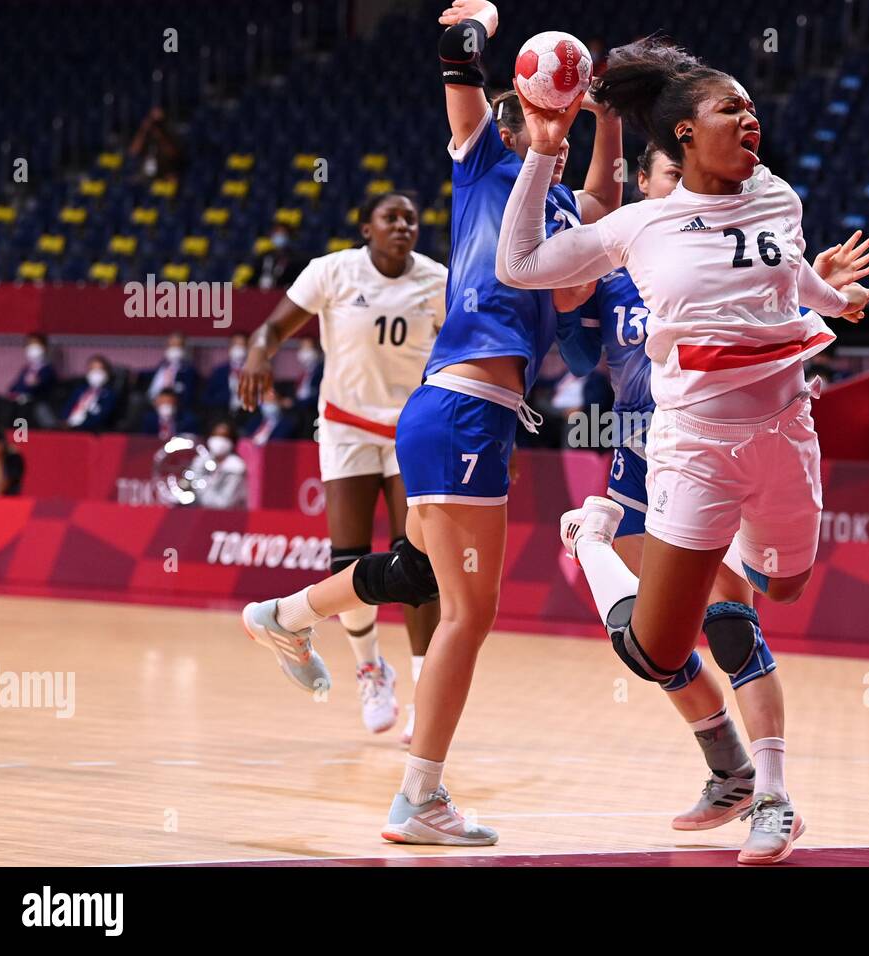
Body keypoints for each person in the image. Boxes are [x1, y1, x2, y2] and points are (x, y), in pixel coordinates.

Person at [241, 0, 624, 847]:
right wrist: (482, 19)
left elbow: (603, 199)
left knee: (417, 573)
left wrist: (610, 117)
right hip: (459, 413)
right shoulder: (482, 162)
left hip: (462, 416)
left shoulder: (563, 214)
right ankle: (420, 799)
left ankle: (287, 615)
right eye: (520, 112)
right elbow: (459, 59)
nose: (532, 123)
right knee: (468, 614)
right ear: (509, 114)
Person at [496, 38, 869, 864]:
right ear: (679, 138)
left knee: (788, 584)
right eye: (729, 109)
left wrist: (828, 294)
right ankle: (770, 795)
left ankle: (753, 770)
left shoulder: (780, 197)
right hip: (693, 448)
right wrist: (548, 148)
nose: (750, 117)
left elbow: (783, 277)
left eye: (748, 106)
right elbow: (519, 264)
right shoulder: (640, 228)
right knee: (661, 651)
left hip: (785, 435)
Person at [553, 141, 824, 847]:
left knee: (733, 626)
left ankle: (773, 796)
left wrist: (815, 300)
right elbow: (577, 343)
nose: (686, 187)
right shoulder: (613, 274)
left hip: (716, 448)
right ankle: (728, 771)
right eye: (670, 176)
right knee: (658, 648)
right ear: (643, 184)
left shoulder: (734, 242)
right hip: (639, 465)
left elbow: (785, 301)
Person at [239, 193, 447, 739]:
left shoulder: (437, 281)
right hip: (347, 425)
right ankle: (371, 667)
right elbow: (273, 329)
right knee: (347, 557)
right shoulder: (331, 271)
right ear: (366, 227)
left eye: (410, 219)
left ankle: (426, 690)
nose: (402, 225)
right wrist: (259, 352)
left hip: (411, 427)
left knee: (420, 561)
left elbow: (464, 353)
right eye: (390, 218)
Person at [191, 422, 248, 510]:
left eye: (224, 436)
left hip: (225, 516)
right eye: (215, 435)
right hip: (196, 512)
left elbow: (226, 502)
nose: (218, 440)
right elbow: (192, 486)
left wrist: (202, 494)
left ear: (231, 441)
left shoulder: (236, 468)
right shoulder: (200, 461)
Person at [4, 333, 58, 425]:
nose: (33, 348)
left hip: (36, 405)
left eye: (36, 345)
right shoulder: (27, 369)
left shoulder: (48, 369)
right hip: (19, 403)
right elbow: (14, 387)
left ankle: (21, 436)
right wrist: (16, 394)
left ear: (44, 348)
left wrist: (31, 387)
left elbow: (39, 388)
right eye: (29, 345)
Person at [62, 356, 120, 432]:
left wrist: (80, 425)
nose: (95, 373)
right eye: (92, 369)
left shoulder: (109, 394)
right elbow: (68, 406)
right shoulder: (80, 390)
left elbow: (104, 416)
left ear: (107, 372)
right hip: (69, 428)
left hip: (89, 430)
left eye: (99, 369)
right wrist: (65, 421)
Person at [203, 332, 249, 420]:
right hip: (222, 414)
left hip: (247, 415)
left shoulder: (255, 372)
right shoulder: (219, 371)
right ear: (230, 347)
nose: (239, 348)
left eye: (242, 345)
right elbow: (207, 397)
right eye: (236, 344)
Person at [251, 223, 308, 290]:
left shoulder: (293, 259)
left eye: (282, 233)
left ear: (287, 237)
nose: (279, 235)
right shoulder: (264, 257)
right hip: (260, 293)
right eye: (276, 232)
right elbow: (254, 277)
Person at [145, 332, 198, 402]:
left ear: (184, 348)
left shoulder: (188, 370)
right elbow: (150, 373)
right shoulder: (163, 365)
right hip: (152, 399)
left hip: (171, 402)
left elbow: (187, 394)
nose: (174, 348)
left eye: (178, 345)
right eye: (171, 345)